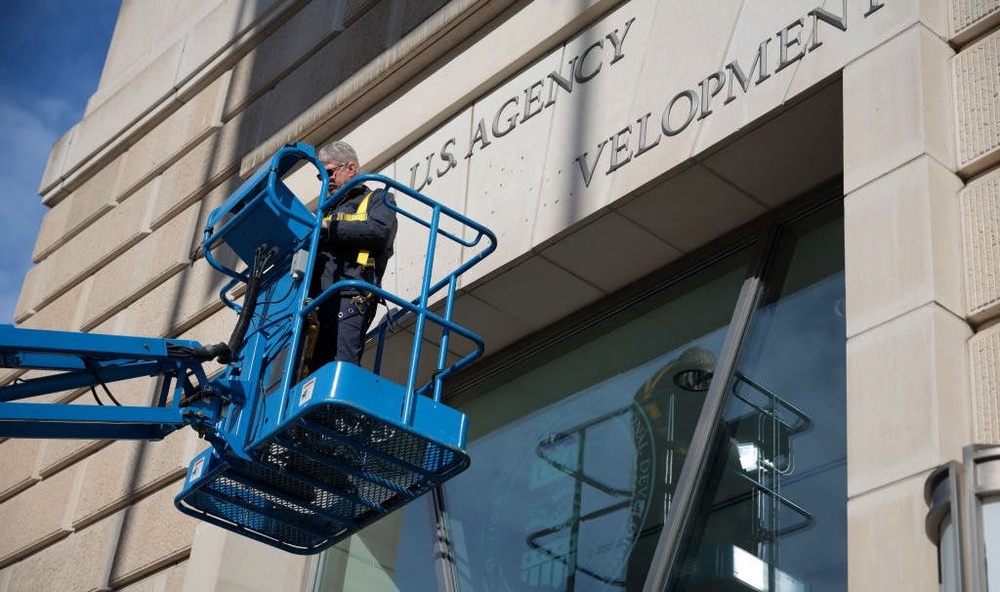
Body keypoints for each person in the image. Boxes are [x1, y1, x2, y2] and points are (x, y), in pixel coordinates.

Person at [308, 140, 398, 368]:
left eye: (329, 173)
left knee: (341, 364)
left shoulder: (377, 198)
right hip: (319, 301)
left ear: (350, 169)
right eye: (321, 177)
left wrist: (331, 227)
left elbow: (379, 231)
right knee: (311, 370)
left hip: (350, 294)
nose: (326, 183)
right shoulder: (325, 209)